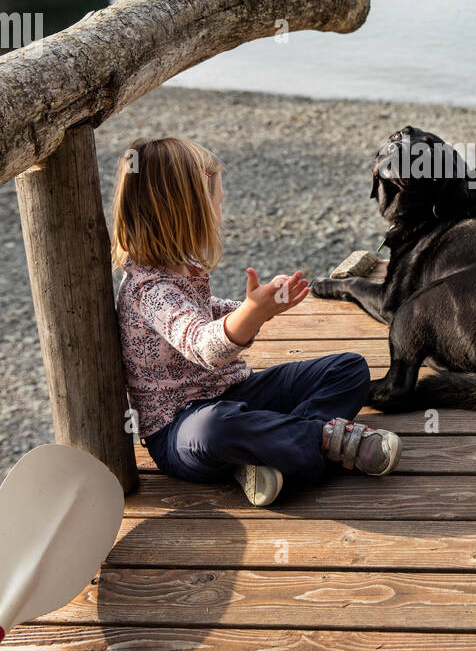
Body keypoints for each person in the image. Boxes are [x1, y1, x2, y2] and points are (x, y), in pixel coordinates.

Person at [111, 136, 401, 507]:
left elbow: (203, 310)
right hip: (181, 429)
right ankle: (320, 443)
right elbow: (204, 346)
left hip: (234, 393)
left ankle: (268, 453)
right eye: (215, 203)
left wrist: (256, 305)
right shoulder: (148, 290)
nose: (221, 211)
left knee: (350, 369)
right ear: (186, 210)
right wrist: (253, 312)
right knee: (216, 428)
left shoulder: (179, 268)